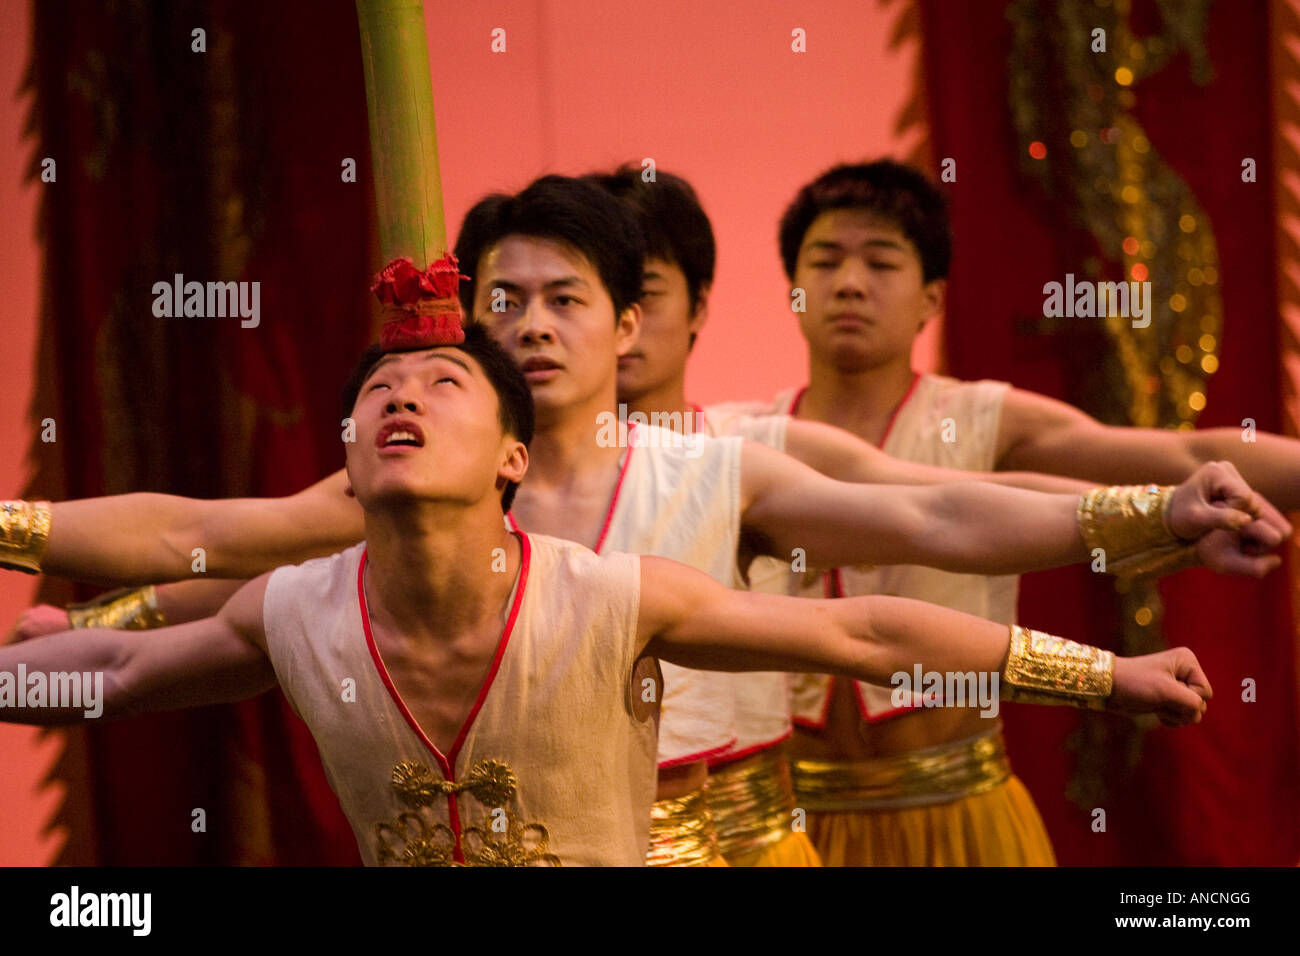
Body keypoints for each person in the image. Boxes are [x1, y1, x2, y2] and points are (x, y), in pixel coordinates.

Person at [2, 176, 1286, 867]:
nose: (531, 324)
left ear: (630, 325)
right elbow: (195, 562)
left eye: (568, 297)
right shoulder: (385, 484)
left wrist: (1141, 520)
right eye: (501, 300)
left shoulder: (715, 464)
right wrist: (47, 594)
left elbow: (936, 520)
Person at [712, 158, 1300, 866]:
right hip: (801, 829)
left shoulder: (977, 418)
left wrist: (1187, 515)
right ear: (794, 289)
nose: (849, 283)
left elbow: (1183, 458)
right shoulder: (741, 439)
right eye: (825, 260)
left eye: (881, 262)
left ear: (931, 298)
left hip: (963, 815)